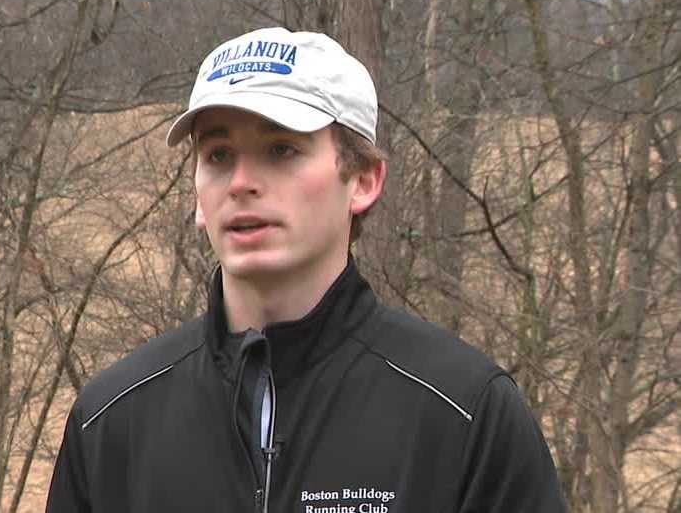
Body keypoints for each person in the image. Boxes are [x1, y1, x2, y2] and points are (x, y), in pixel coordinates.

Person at [45, 27, 567, 513]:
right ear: (198, 197)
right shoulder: (111, 422)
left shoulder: (464, 412)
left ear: (363, 180)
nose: (241, 182)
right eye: (219, 155)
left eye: (281, 149)